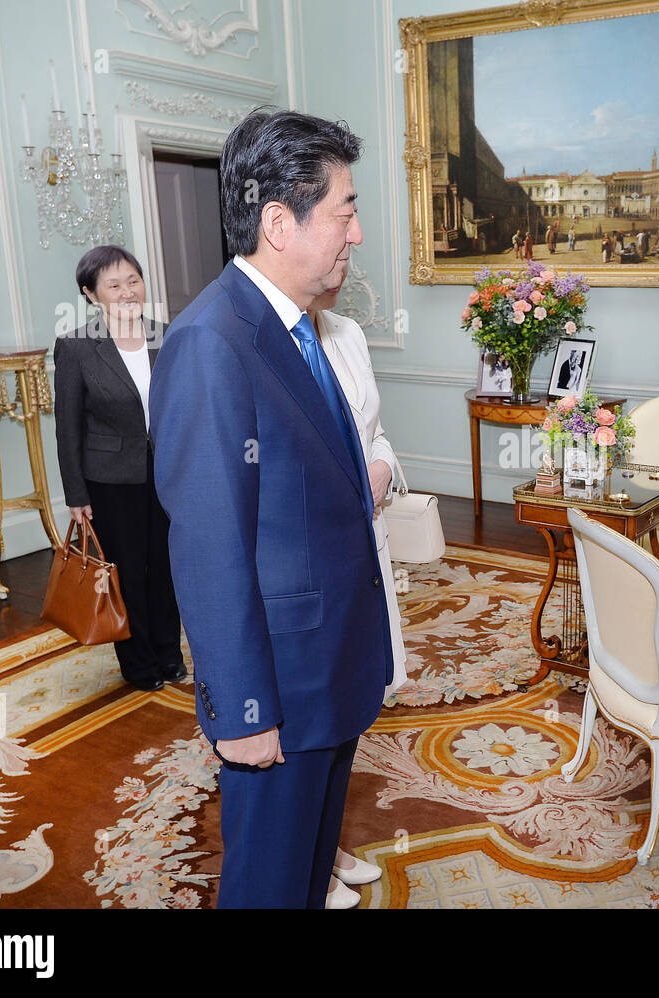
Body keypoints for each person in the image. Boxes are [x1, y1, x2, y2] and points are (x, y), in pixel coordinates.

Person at [150, 109, 393, 909]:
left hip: (326, 676)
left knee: (304, 872)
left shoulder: (294, 330)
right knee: (266, 889)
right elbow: (208, 547)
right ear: (279, 222)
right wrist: (244, 709)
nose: (356, 233)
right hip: (277, 696)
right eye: (346, 210)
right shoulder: (211, 343)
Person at [308, 283, 409, 908]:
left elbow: (377, 436)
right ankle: (309, 865)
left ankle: (330, 845)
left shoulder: (346, 335)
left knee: (348, 713)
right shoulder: (269, 343)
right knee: (315, 723)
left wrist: (382, 470)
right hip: (317, 566)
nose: (352, 239)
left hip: (366, 550)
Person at [53, 245, 184, 693]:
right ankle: (139, 662)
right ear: (91, 294)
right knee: (126, 571)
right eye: (114, 285)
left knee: (167, 567)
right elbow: (67, 425)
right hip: (109, 482)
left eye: (134, 280)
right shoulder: (76, 347)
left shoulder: (166, 335)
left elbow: (185, 412)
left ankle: (170, 652)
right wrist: (76, 495)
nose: (128, 291)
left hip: (166, 474)